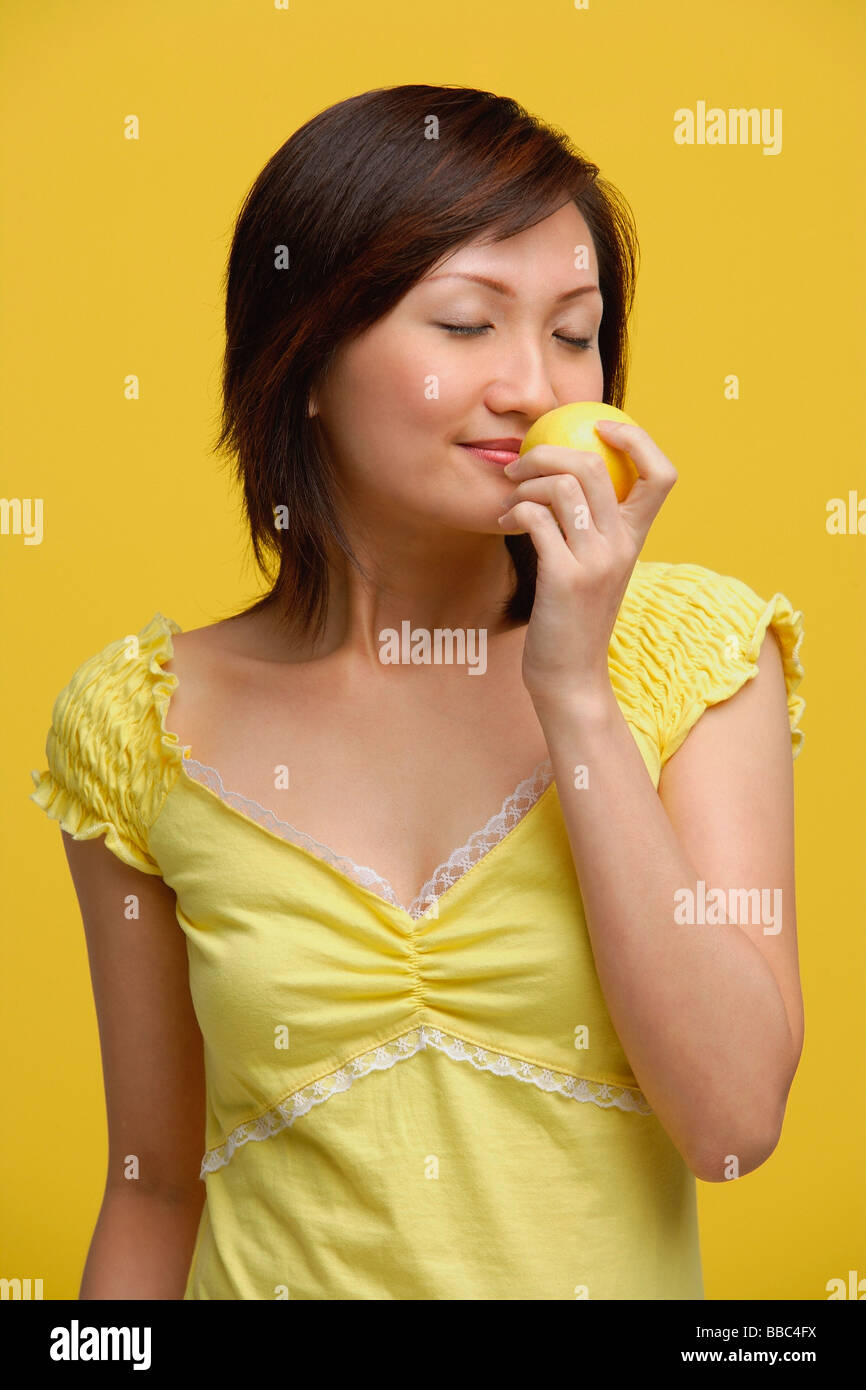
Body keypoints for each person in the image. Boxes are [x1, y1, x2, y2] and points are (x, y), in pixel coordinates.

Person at [29, 84, 805, 1300]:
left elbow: (730, 1122)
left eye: (573, 331)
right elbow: (150, 1186)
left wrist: (574, 693)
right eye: (463, 325)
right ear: (303, 362)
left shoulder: (689, 653)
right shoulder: (140, 724)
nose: (536, 388)